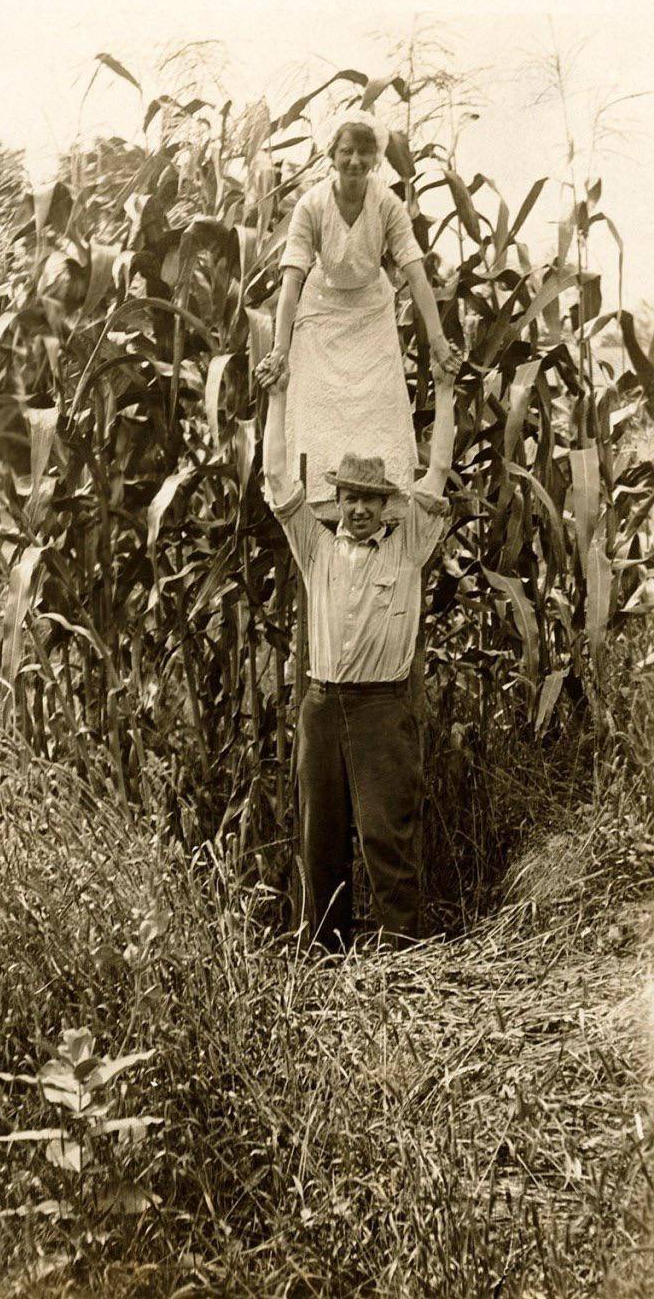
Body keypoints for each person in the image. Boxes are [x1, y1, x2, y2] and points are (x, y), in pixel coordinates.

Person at [262, 352, 459, 953]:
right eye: (351, 497)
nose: (360, 508)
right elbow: (276, 482)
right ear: (339, 499)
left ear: (385, 506)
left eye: (372, 499)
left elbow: (437, 472)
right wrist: (277, 396)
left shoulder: (408, 550)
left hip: (382, 710)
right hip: (322, 707)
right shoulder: (315, 549)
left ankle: (404, 963)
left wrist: (446, 392)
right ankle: (324, 963)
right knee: (320, 840)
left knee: (387, 837)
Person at [256, 108, 458, 515]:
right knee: (317, 411)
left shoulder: (387, 205)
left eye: (365, 154)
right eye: (346, 152)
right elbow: (292, 277)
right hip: (320, 315)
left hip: (371, 313)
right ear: (332, 154)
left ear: (376, 158)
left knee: (378, 408)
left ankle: (376, 512)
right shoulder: (311, 205)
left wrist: (437, 341)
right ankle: (321, 512)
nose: (355, 162)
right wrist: (280, 349)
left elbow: (416, 274)